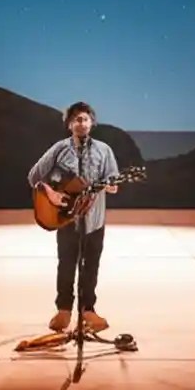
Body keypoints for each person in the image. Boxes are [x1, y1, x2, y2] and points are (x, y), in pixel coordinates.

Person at [27, 101, 120, 333]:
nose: (81, 123)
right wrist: (52, 193)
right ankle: (64, 310)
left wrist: (109, 185)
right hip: (67, 219)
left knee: (91, 266)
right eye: (77, 119)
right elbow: (34, 176)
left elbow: (114, 183)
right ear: (69, 124)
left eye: (85, 119)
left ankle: (88, 310)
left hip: (94, 220)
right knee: (66, 264)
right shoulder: (59, 149)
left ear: (92, 123)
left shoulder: (104, 150)